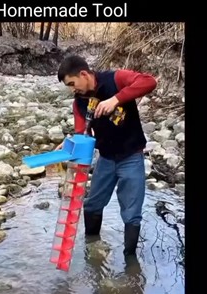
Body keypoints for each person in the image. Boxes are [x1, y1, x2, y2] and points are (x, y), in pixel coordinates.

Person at [56, 55, 157, 257]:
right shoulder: (79, 103)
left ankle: (130, 262)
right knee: (92, 204)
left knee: (131, 213)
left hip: (131, 157)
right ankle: (91, 249)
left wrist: (116, 99)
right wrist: (69, 145)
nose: (72, 89)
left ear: (84, 74)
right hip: (106, 159)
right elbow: (81, 134)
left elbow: (149, 81)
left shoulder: (115, 79)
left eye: (72, 83)